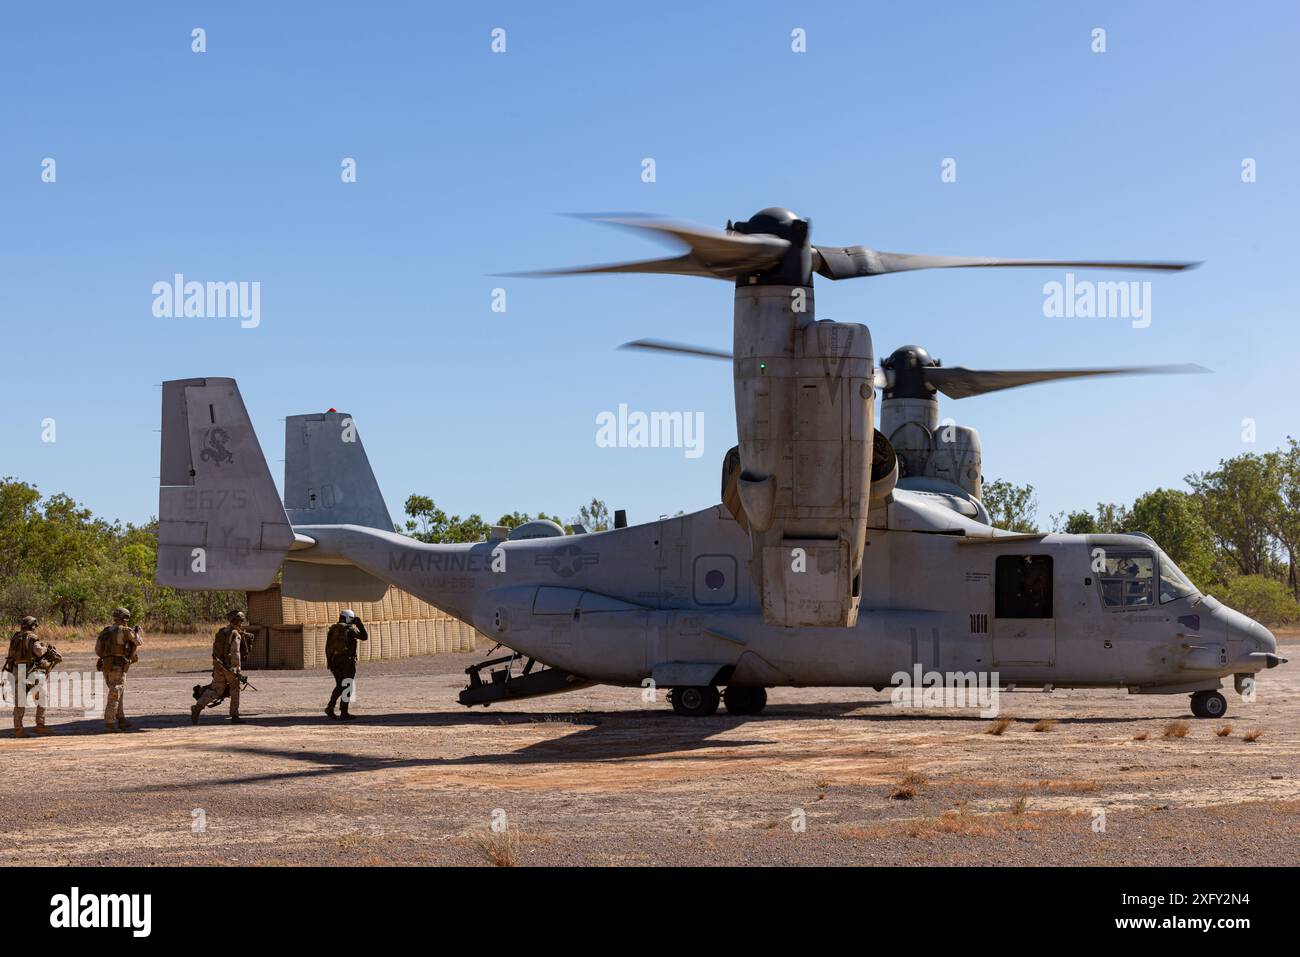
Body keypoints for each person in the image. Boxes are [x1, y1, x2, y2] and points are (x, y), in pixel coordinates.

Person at [191, 610, 249, 725]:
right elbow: (235, 652)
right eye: (241, 620)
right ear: (237, 620)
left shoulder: (223, 631)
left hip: (218, 665)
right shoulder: (235, 634)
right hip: (229, 667)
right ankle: (234, 715)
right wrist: (237, 669)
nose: (242, 623)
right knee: (235, 689)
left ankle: (197, 707)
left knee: (216, 690)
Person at [5, 616, 55, 737]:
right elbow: (38, 652)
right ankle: (40, 724)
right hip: (31, 670)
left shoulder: (15, 637)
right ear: (32, 626)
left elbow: (10, 654)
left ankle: (18, 729)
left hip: (17, 669)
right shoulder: (32, 637)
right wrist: (45, 648)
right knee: (42, 695)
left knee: (20, 700)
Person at [94, 608, 142, 733]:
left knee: (117, 691)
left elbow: (97, 650)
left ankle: (121, 719)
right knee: (116, 692)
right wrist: (137, 633)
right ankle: (109, 722)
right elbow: (138, 642)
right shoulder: (126, 631)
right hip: (118, 665)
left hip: (106, 665)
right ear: (125, 618)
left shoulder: (105, 631)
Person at [325, 609, 367, 720]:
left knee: (340, 685)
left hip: (335, 660)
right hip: (347, 661)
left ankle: (330, 707)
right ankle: (344, 712)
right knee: (347, 685)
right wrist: (359, 624)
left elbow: (327, 647)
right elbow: (364, 637)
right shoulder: (349, 629)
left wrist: (329, 661)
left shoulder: (333, 629)